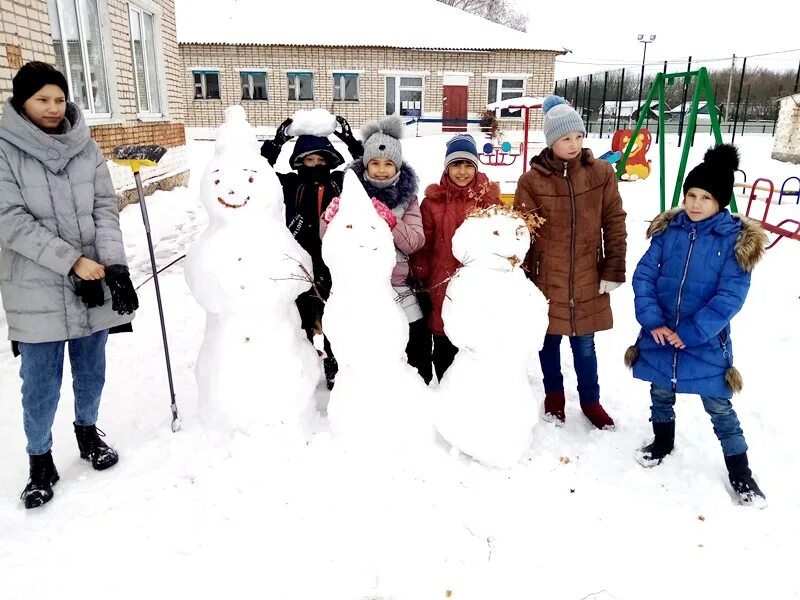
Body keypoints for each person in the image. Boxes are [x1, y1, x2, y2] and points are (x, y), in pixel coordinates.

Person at [0, 62, 138, 509]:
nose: (53, 107)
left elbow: (104, 209)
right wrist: (71, 261)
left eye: (59, 99)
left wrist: (114, 266)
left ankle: (87, 433)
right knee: (40, 383)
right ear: (21, 101)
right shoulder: (4, 149)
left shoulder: (85, 147)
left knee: (91, 369)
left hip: (92, 280)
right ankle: (40, 460)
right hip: (36, 287)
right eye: (42, 99)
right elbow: (10, 221)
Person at [625, 143, 768, 506]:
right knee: (660, 391)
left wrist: (690, 333)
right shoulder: (669, 231)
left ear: (721, 201)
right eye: (691, 195)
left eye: (706, 197)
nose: (696, 204)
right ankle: (662, 441)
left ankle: (740, 472)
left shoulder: (734, 241)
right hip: (660, 333)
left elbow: (730, 296)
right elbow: (644, 275)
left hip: (704, 341)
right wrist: (653, 321)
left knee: (719, 406)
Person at [513, 95, 627, 430]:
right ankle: (554, 396)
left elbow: (614, 220)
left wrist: (614, 266)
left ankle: (591, 400)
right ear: (551, 141)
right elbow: (523, 233)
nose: (574, 144)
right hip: (546, 279)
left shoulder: (601, 173)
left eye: (578, 136)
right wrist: (521, 279)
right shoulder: (531, 181)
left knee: (585, 345)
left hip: (588, 275)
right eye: (566, 138)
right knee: (548, 342)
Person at [322, 115, 428, 382]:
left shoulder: (408, 200)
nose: (382, 170)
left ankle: (419, 389)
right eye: (375, 163)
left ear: (398, 166)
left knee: (414, 343)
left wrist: (392, 221)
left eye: (388, 164)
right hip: (359, 286)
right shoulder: (351, 195)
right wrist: (328, 220)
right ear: (366, 165)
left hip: (398, 285)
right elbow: (329, 244)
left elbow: (415, 242)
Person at [260, 114, 362, 389]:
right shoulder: (290, 184)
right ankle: (301, 370)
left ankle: (334, 366)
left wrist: (350, 142)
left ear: (329, 160)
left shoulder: (340, 181)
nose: (316, 164)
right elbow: (258, 173)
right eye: (309, 159)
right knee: (301, 318)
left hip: (333, 262)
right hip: (299, 261)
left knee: (333, 316)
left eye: (321, 159)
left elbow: (367, 170)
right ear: (299, 162)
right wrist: (277, 143)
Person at [410, 133, 501, 382]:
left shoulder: (488, 201)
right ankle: (444, 392)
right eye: (456, 165)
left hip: (478, 288)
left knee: (474, 347)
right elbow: (423, 247)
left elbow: (503, 242)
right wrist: (420, 277)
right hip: (442, 286)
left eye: (468, 165)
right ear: (446, 168)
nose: (462, 172)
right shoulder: (432, 203)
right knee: (444, 346)